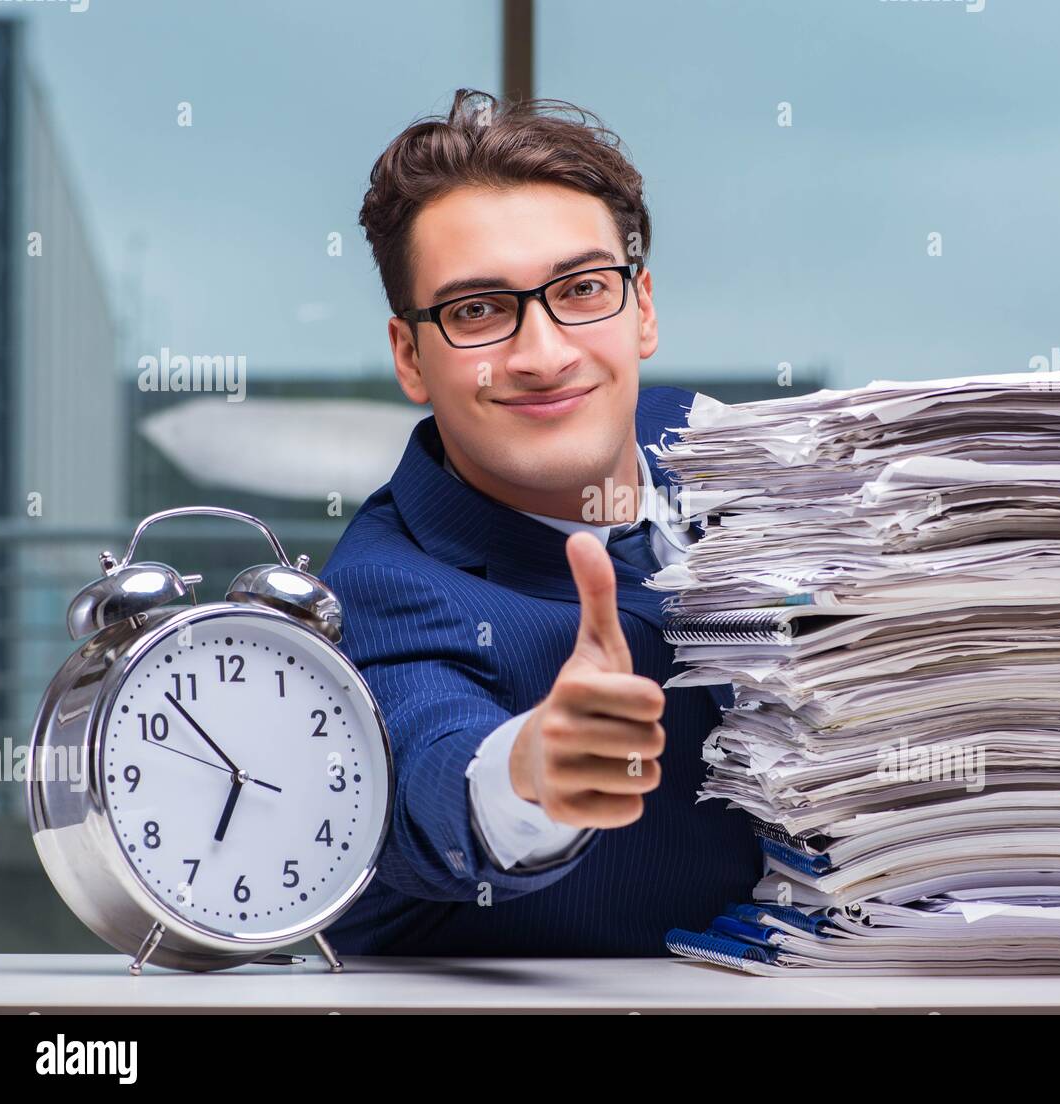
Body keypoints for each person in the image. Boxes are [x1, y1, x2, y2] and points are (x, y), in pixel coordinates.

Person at [321, 88, 761, 956]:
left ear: (642, 309)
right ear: (411, 356)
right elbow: (422, 775)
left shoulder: (730, 449)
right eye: (477, 311)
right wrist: (532, 771)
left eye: (583, 289)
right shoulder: (378, 593)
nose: (545, 354)